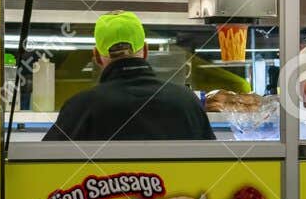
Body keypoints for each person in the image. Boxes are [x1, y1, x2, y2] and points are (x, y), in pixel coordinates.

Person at [44, 12, 214, 143]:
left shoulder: (80, 107)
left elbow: (45, 165)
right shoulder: (186, 102)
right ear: (146, 51)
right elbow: (212, 163)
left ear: (96, 56)